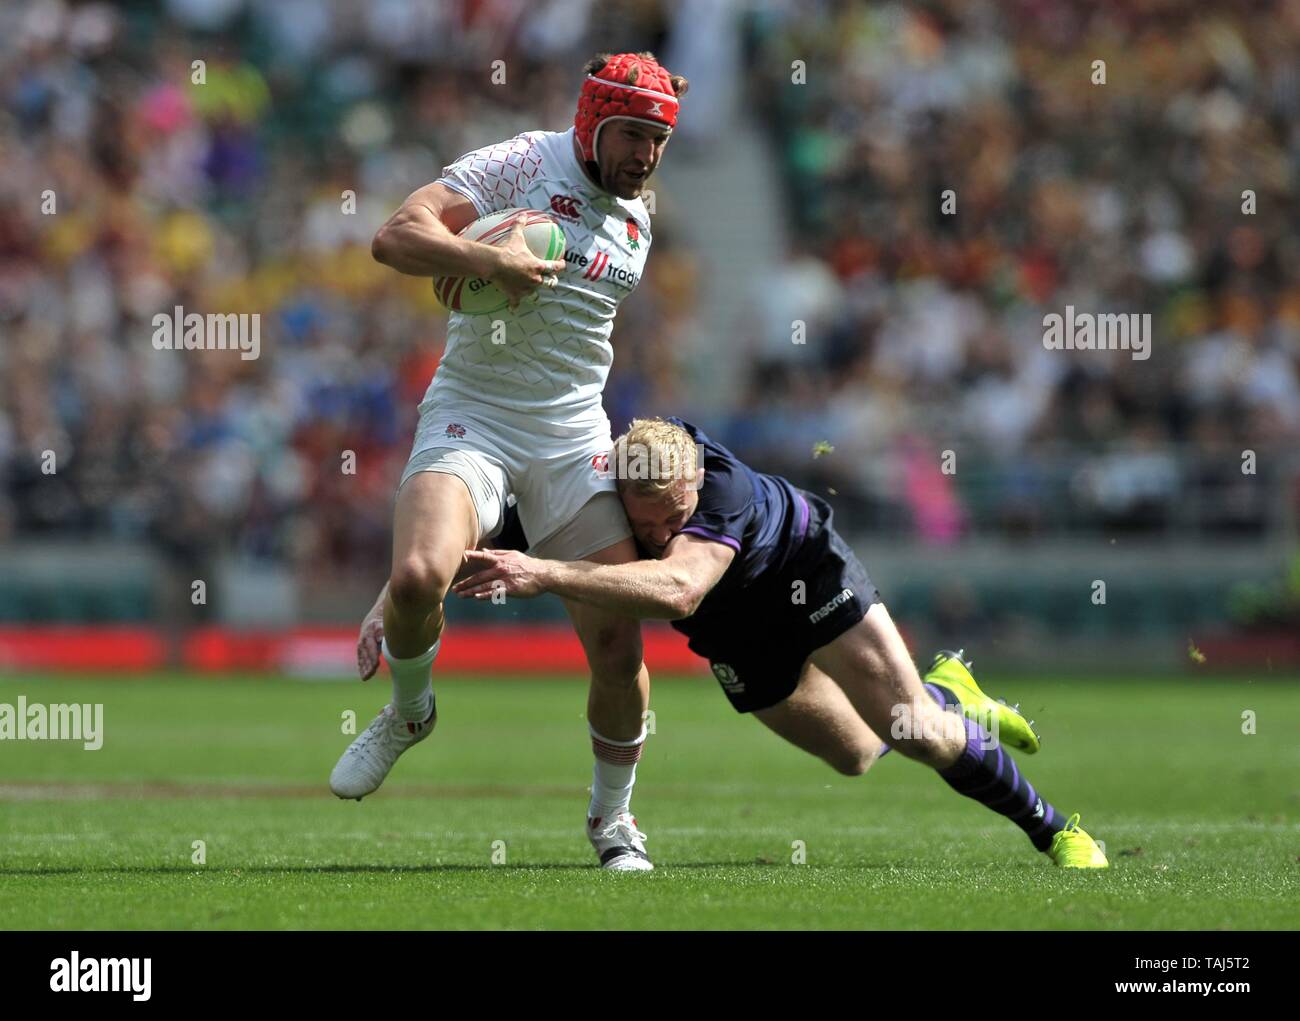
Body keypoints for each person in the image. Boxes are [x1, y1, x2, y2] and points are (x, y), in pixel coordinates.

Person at [446, 417, 1109, 869]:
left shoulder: (720, 486)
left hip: (806, 574)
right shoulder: (606, 489)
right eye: (644, 524)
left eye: (674, 517)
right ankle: (948, 691)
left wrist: (542, 573)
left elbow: (678, 588)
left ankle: (1057, 830)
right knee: (854, 754)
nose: (658, 533)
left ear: (695, 483)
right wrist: (408, 597)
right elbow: (508, 530)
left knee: (918, 733)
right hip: (734, 634)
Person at [330, 53, 689, 872]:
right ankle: (411, 710)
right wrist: (484, 261)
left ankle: (614, 824)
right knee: (420, 574)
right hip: (474, 411)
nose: (646, 155)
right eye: (633, 134)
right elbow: (394, 237)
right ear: (592, 124)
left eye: (660, 139)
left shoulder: (641, 209)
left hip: (571, 433)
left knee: (618, 646)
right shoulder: (521, 163)